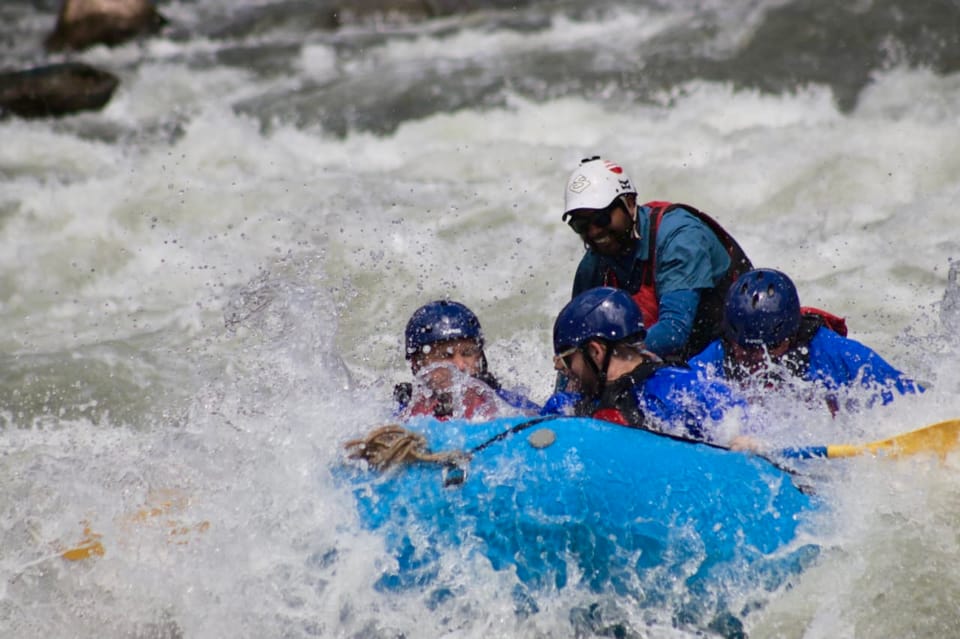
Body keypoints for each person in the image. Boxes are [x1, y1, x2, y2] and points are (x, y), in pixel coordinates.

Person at [562, 156, 753, 362]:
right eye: (581, 225)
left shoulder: (679, 237)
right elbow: (575, 347)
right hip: (672, 360)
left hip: (733, 351)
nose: (594, 232)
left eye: (602, 219)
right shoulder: (593, 267)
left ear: (630, 203)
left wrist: (609, 358)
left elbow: (674, 331)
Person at [688, 268, 922, 414]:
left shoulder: (837, 354)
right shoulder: (718, 355)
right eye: (746, 351)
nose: (758, 360)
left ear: (791, 336)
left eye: (769, 349)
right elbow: (678, 392)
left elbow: (914, 402)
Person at [541, 287, 745, 442]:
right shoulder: (570, 405)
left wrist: (742, 441)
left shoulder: (679, 390)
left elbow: (744, 426)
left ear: (595, 351)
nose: (560, 368)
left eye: (567, 358)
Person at [394, 299, 540, 421]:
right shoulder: (402, 417)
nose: (460, 365)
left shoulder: (510, 406)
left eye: (467, 353)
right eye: (446, 356)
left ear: (480, 357)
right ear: (417, 363)